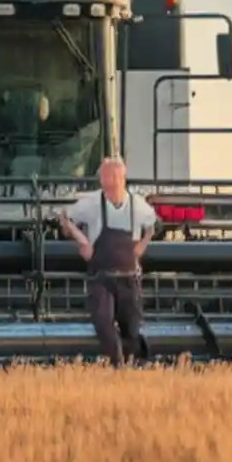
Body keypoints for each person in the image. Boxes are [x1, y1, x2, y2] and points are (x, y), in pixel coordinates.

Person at [56, 156, 157, 366]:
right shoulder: (91, 203)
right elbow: (65, 218)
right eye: (105, 176)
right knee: (103, 322)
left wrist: (142, 245)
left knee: (132, 328)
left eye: (113, 175)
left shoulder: (138, 206)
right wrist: (80, 241)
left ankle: (130, 366)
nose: (109, 180)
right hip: (101, 278)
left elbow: (154, 225)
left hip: (130, 279)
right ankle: (117, 364)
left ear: (122, 177)